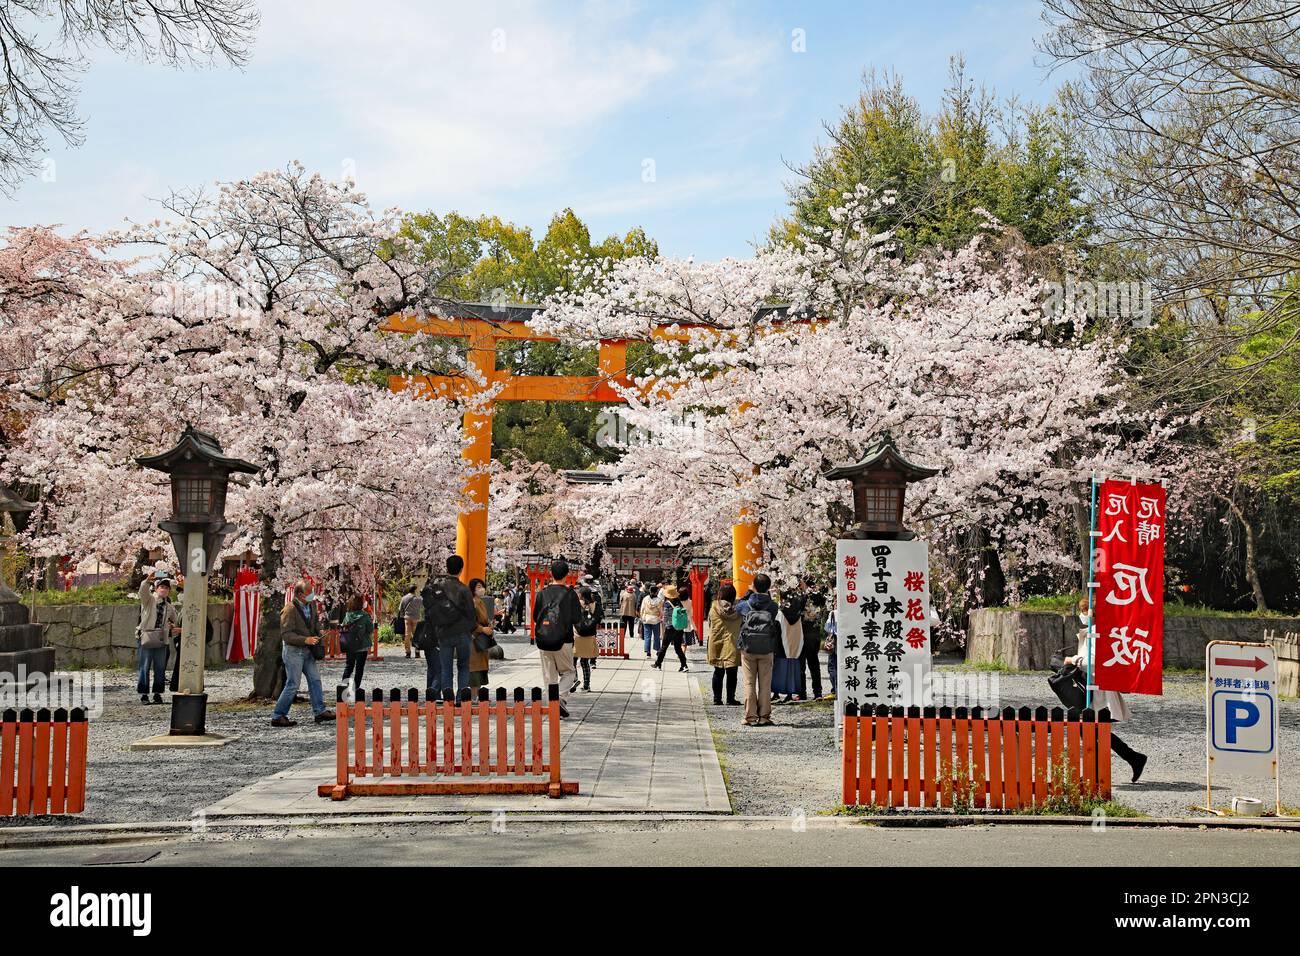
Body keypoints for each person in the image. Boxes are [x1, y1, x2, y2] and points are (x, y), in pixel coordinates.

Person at [1064, 597, 1148, 782]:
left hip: (1098, 690)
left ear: (1090, 613)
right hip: (1096, 689)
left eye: (1084, 611)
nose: (1082, 615)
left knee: (1091, 729)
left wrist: (1072, 660)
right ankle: (1132, 759)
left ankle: (1096, 772)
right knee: (1093, 730)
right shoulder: (1099, 631)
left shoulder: (1096, 633)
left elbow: (1092, 662)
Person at [272, 580, 335, 727]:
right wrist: (305, 639)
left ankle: (320, 711)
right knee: (293, 683)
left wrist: (319, 631)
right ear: (300, 595)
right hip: (293, 651)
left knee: (315, 680)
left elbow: (314, 623)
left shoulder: (311, 605)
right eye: (309, 592)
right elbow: (286, 635)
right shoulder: (289, 610)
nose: (312, 595)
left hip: (308, 650)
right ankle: (278, 715)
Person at [532, 558, 581, 717]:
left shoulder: (542, 593)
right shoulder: (570, 594)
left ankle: (553, 706)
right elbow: (576, 618)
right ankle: (560, 698)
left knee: (549, 675)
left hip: (544, 639)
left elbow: (535, 617)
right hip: (564, 639)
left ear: (550, 574)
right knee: (568, 672)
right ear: (567, 574)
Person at [425, 556, 477, 699]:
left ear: (446, 568)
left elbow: (430, 611)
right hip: (462, 633)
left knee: (445, 667)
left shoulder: (438, 588)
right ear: (461, 569)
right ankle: (461, 694)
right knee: (464, 666)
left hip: (443, 633)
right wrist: (470, 629)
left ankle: (447, 693)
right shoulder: (464, 590)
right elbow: (472, 614)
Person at [736, 573, 780, 726]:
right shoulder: (773, 606)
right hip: (767, 648)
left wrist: (749, 592)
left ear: (754, 586)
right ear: (769, 587)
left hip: (748, 649)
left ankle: (750, 716)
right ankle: (764, 716)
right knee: (765, 683)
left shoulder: (746, 605)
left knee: (749, 683)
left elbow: (737, 606)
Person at [136, 570, 180, 705]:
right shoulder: (149, 600)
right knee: (145, 666)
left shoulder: (169, 606)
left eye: (167, 588)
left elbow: (174, 620)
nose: (164, 590)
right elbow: (142, 592)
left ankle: (157, 693)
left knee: (160, 667)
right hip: (147, 636)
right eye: (162, 587)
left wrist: (172, 626)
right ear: (156, 588)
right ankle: (144, 694)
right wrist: (147, 581)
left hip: (162, 639)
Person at [707, 583, 742, 706]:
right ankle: (730, 698)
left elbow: (710, 623)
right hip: (732, 642)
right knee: (732, 672)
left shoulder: (713, 607)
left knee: (718, 671)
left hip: (717, 641)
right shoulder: (738, 610)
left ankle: (717, 699)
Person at [771, 588, 805, 703]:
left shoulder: (780, 613)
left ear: (782, 598)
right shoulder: (798, 612)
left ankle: (776, 693)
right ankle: (790, 694)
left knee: (778, 670)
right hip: (795, 646)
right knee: (792, 670)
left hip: (781, 646)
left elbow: (776, 630)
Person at [339, 594, 372, 698]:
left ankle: (343, 689)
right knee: (359, 668)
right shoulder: (365, 616)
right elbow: (370, 630)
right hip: (362, 645)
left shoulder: (348, 615)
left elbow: (344, 627)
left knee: (349, 666)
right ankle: (356, 690)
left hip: (350, 645)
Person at [653, 583, 692, 672]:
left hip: (670, 627)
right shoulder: (679, 602)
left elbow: (666, 617)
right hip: (679, 628)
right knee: (678, 648)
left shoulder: (667, 604)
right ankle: (684, 665)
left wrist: (664, 622)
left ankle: (658, 664)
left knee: (664, 647)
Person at [799, 580, 827, 700]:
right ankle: (818, 692)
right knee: (814, 664)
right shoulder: (820, 598)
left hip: (803, 634)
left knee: (801, 665)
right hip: (815, 634)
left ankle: (802, 692)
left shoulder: (804, 598)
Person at [468, 578, 494, 696]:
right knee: (474, 668)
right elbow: (470, 622)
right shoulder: (472, 602)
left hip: (482, 638)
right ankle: (474, 696)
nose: (481, 589)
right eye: (478, 587)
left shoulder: (481, 602)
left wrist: (489, 625)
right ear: (473, 589)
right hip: (474, 638)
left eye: (482, 586)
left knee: (480, 667)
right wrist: (482, 629)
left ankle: (477, 694)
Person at [573, 587, 601, 692]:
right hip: (590, 635)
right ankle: (586, 685)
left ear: (581, 595)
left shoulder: (576, 604)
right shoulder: (595, 605)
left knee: (573, 660)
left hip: (577, 635)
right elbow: (599, 618)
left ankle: (574, 679)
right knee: (585, 662)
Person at [638, 584, 664, 658]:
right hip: (655, 619)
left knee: (647, 636)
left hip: (647, 618)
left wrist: (642, 617)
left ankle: (648, 652)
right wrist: (661, 617)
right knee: (656, 636)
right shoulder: (659, 601)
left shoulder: (646, 599)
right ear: (656, 592)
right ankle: (658, 650)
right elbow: (661, 611)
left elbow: (642, 609)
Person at [398, 584, 422, 659]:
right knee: (416, 635)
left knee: (407, 635)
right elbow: (422, 607)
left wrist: (403, 615)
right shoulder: (418, 599)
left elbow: (400, 609)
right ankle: (417, 652)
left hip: (407, 618)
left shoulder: (404, 598)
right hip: (416, 618)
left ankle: (408, 652)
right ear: (414, 590)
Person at [618, 581, 640, 647]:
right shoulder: (634, 595)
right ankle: (631, 634)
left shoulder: (624, 594)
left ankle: (623, 635)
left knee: (624, 624)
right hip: (631, 612)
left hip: (624, 612)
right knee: (631, 624)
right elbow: (636, 603)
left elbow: (620, 602)